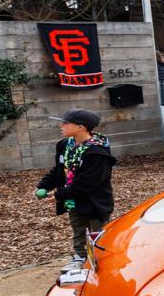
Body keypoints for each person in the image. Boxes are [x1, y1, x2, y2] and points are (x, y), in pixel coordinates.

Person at [34, 109, 115, 276]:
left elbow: (87, 183)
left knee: (97, 234)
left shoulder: (96, 152)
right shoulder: (65, 145)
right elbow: (59, 170)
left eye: (65, 123)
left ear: (80, 127)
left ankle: (101, 264)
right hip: (73, 199)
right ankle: (80, 258)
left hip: (95, 201)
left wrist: (59, 195)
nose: (61, 125)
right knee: (78, 228)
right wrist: (44, 185)